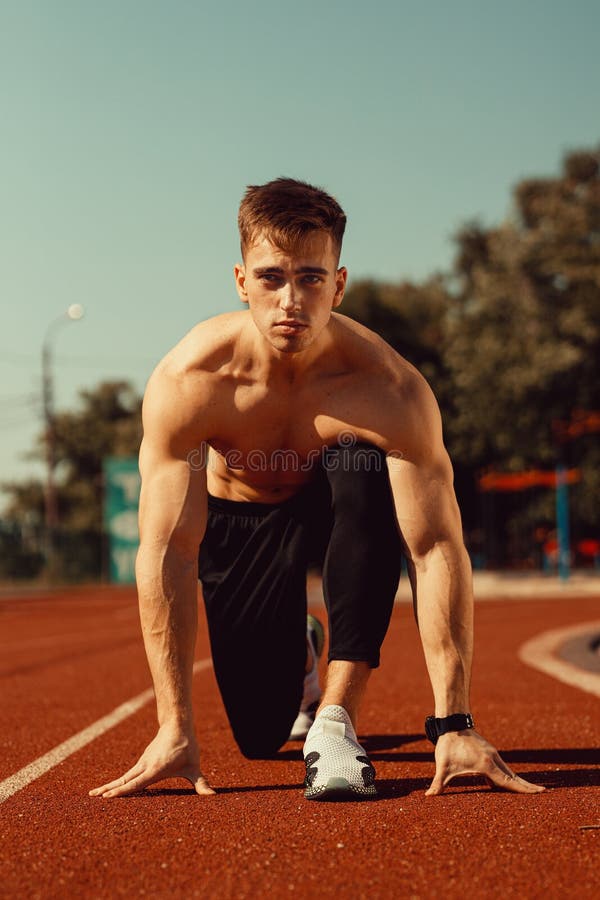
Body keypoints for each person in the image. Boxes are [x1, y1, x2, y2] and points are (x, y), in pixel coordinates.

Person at [90, 178, 544, 801]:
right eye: (272, 277)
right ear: (241, 281)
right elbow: (168, 549)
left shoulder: (387, 389)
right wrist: (175, 724)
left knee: (362, 466)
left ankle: (335, 720)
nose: (290, 301)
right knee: (258, 733)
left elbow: (436, 548)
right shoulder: (191, 380)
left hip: (337, 500)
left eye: (310, 277)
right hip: (242, 514)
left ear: (339, 283)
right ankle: (303, 652)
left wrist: (455, 721)